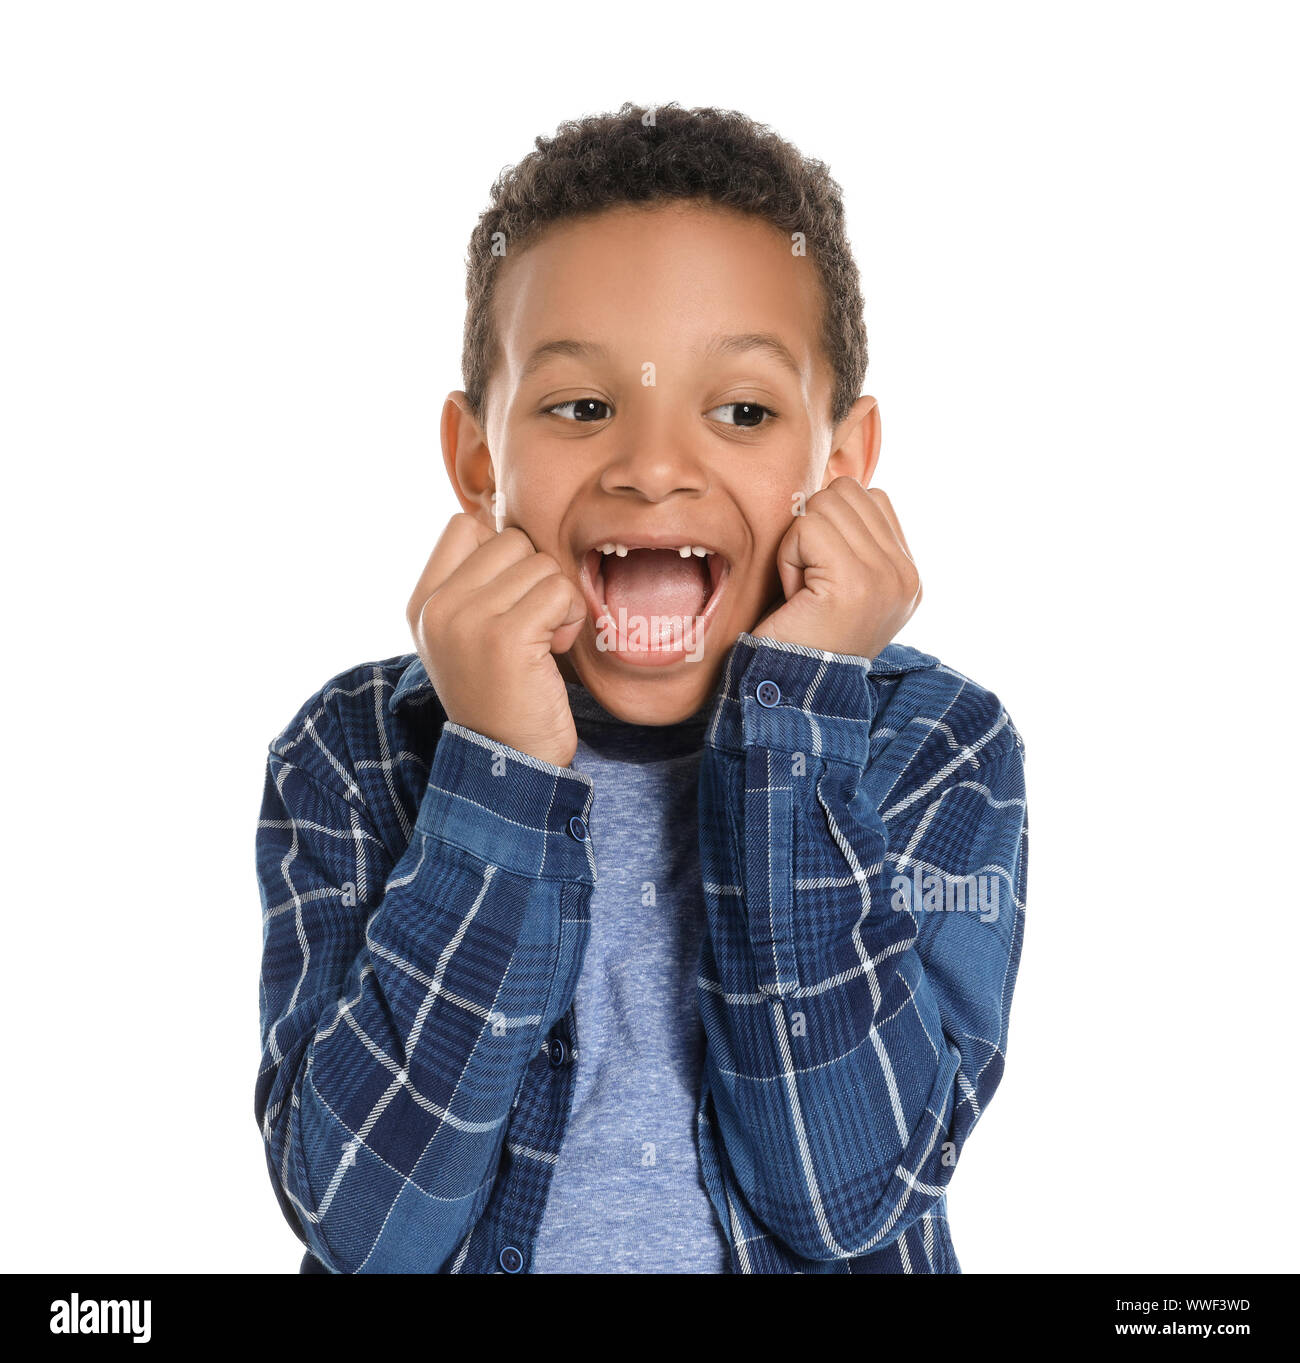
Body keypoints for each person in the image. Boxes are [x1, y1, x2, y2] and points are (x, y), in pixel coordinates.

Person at [254, 102, 1028, 1274]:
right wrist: (497, 776)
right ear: (478, 462)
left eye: (742, 412)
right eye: (580, 407)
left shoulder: (937, 745)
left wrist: (789, 729)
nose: (656, 466)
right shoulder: (355, 750)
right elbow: (367, 1227)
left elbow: (843, 1200)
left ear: (844, 463)